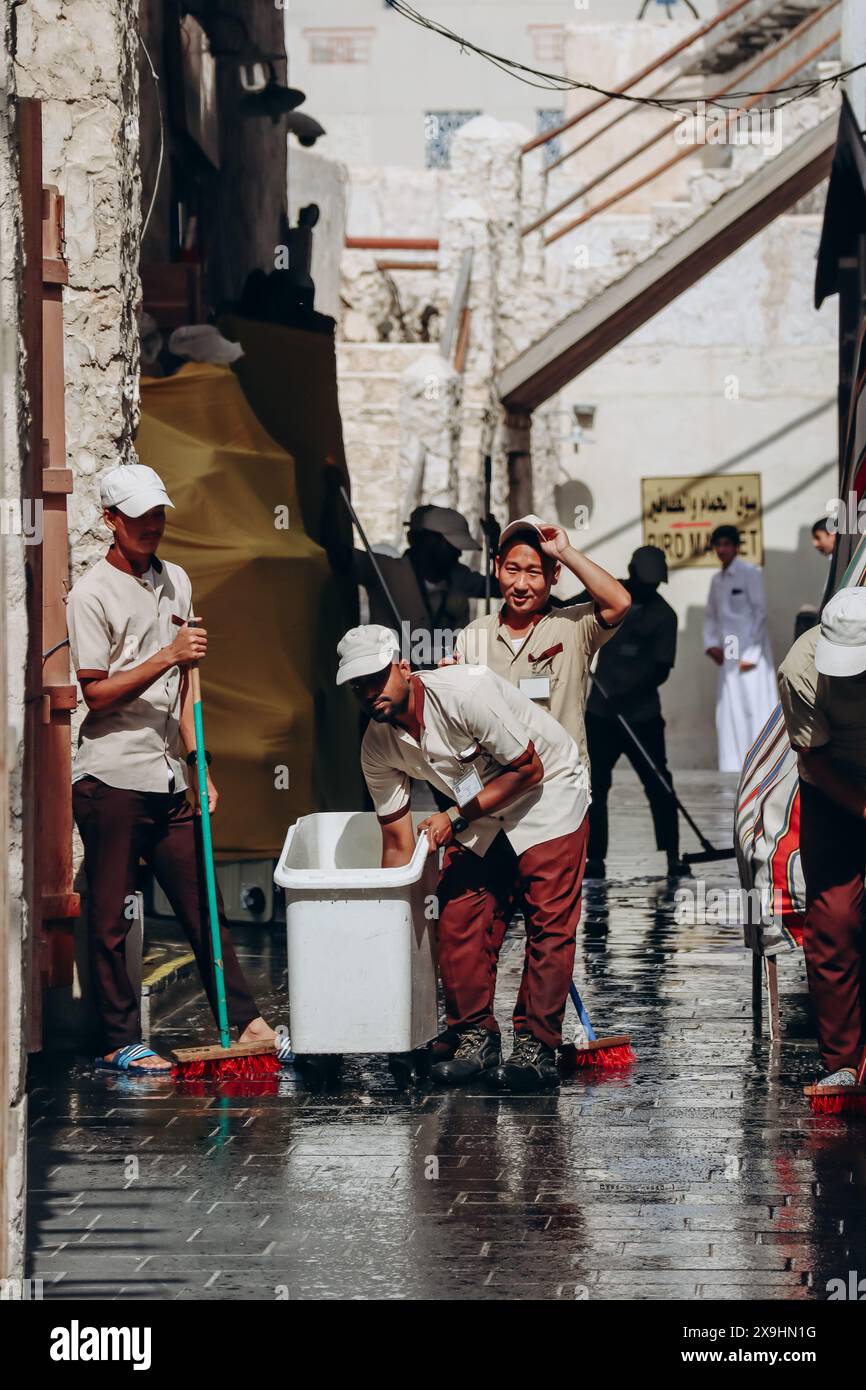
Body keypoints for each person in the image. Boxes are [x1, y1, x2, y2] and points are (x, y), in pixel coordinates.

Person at [67, 464, 278, 1073]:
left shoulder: (177, 580)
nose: (152, 526)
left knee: (203, 903)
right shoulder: (90, 594)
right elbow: (98, 695)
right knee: (111, 916)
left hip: (166, 774)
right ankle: (117, 1039)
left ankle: (246, 1022)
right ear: (111, 521)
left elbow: (189, 686)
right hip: (110, 776)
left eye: (158, 514)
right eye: (139, 517)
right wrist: (167, 654)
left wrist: (198, 764)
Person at [337, 622, 599, 1093]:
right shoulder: (376, 747)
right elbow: (396, 843)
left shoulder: (464, 693)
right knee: (458, 913)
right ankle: (474, 1035)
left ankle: (537, 1045)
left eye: (377, 678)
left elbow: (528, 768)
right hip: (479, 809)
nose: (370, 692)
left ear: (403, 667)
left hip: (548, 793)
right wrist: (389, 918)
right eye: (359, 686)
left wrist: (454, 818)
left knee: (548, 920)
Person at [777, 586, 866, 1092]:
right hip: (832, 790)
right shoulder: (800, 668)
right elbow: (813, 760)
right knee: (833, 921)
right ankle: (842, 1063)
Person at [583, 545, 686, 878]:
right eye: (646, 583)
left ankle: (673, 855)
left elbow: (661, 670)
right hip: (600, 715)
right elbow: (571, 613)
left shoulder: (664, 616)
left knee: (659, 783)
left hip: (641, 717)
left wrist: (625, 696)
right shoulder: (607, 593)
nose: (650, 589)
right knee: (594, 786)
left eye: (655, 584)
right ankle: (594, 858)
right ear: (631, 572)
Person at [353, 505, 498, 668]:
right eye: (451, 546)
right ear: (426, 541)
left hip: (438, 683)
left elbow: (498, 586)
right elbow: (338, 557)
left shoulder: (459, 577)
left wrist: (496, 549)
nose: (458, 553)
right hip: (390, 681)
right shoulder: (384, 570)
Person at [703, 524, 777, 772]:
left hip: (750, 654)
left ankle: (762, 765)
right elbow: (711, 615)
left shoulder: (749, 573)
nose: (722, 549)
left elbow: (760, 613)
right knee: (729, 710)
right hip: (728, 655)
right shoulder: (717, 580)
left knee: (755, 709)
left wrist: (752, 655)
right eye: (718, 544)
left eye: (726, 544)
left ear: (736, 546)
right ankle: (733, 767)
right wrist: (711, 645)